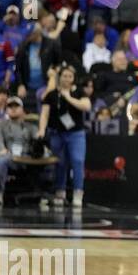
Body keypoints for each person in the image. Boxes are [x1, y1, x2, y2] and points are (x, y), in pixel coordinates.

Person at [37, 65, 90, 209]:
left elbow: (86, 106)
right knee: (60, 163)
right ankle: (60, 192)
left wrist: (69, 97)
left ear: (74, 78)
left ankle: (78, 192)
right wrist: (41, 129)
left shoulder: (79, 92)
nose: (67, 79)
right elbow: (45, 113)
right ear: (60, 77)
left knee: (78, 161)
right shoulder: (52, 94)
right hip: (57, 133)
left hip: (76, 133)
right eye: (64, 76)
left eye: (70, 76)